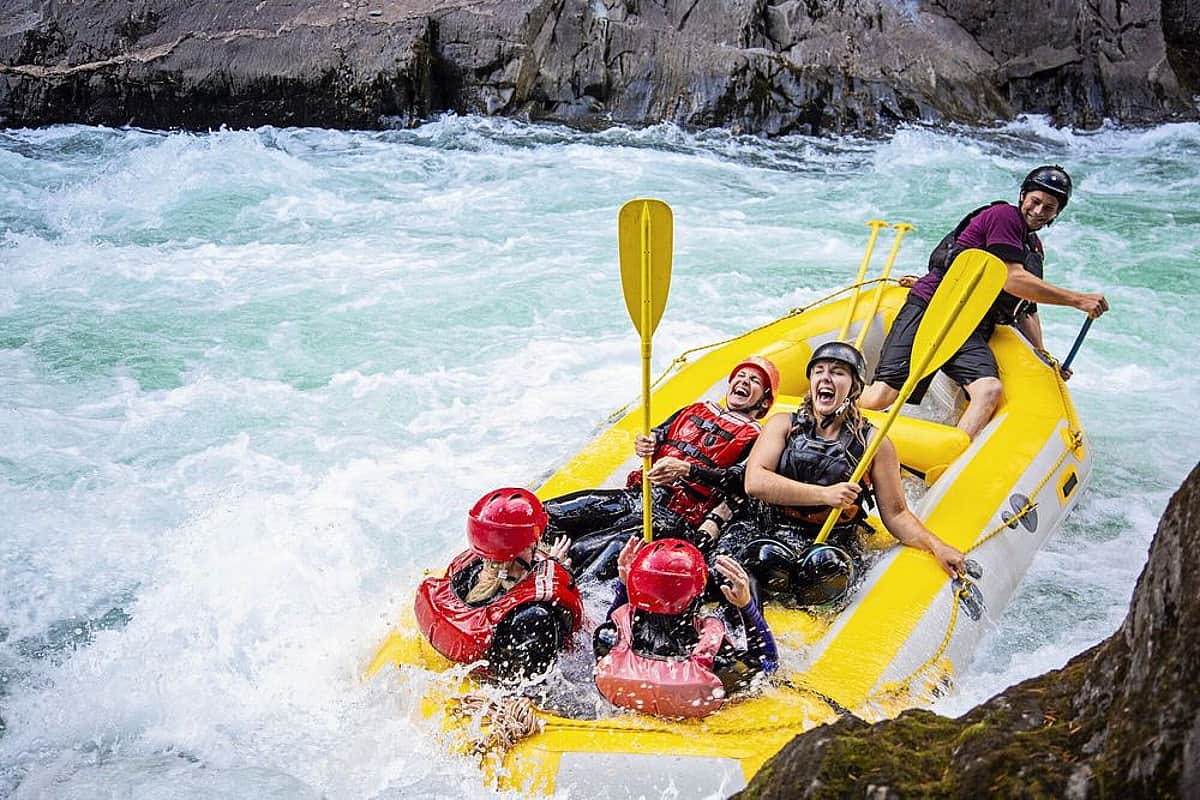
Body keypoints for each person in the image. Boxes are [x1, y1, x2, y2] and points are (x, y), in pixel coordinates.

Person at [860, 165, 1110, 439]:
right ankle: (825, 415)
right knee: (881, 398)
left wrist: (1044, 357)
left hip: (972, 325)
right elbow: (1011, 279)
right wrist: (1078, 300)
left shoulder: (1033, 247)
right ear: (1023, 195)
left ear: (1056, 213)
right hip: (934, 307)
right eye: (1035, 201)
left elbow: (1026, 310)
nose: (1038, 211)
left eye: (1049, 208)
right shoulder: (1004, 217)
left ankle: (946, 459)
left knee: (989, 390)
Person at [714, 342, 967, 607]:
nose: (825, 377)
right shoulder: (783, 424)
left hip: (834, 536)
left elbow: (896, 514)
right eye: (819, 371)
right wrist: (824, 494)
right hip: (772, 526)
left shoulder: (874, 443)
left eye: (837, 372)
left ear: (854, 388)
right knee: (765, 557)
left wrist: (937, 547)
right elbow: (755, 482)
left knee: (826, 568)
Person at [545, 356, 780, 576]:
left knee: (586, 549)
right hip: (640, 494)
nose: (744, 381)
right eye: (740, 376)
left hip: (676, 516)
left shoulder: (758, 437)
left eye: (754, 380)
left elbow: (739, 481)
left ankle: (567, 587)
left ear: (764, 401)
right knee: (552, 513)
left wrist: (687, 470)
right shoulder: (696, 409)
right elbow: (658, 433)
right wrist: (647, 443)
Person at [592, 536, 778, 718]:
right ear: (696, 599)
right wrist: (747, 606)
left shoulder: (606, 639)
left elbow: (618, 623)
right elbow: (768, 665)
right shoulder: (717, 661)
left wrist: (624, 587)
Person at [413, 487, 584, 682]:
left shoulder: (470, 571)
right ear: (527, 548)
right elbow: (537, 687)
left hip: (493, 646)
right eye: (534, 542)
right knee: (605, 546)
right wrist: (560, 569)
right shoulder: (533, 616)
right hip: (518, 675)